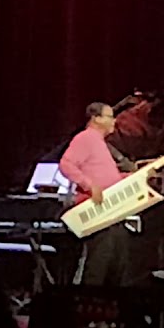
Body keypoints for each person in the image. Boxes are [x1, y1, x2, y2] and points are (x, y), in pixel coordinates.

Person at [59, 102, 132, 286]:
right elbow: (66, 165)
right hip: (97, 211)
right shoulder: (86, 138)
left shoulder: (99, 143)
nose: (114, 121)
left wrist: (132, 177)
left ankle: (110, 307)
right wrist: (90, 186)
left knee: (117, 262)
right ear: (96, 118)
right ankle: (89, 308)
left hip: (112, 210)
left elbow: (106, 177)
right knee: (99, 263)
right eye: (109, 116)